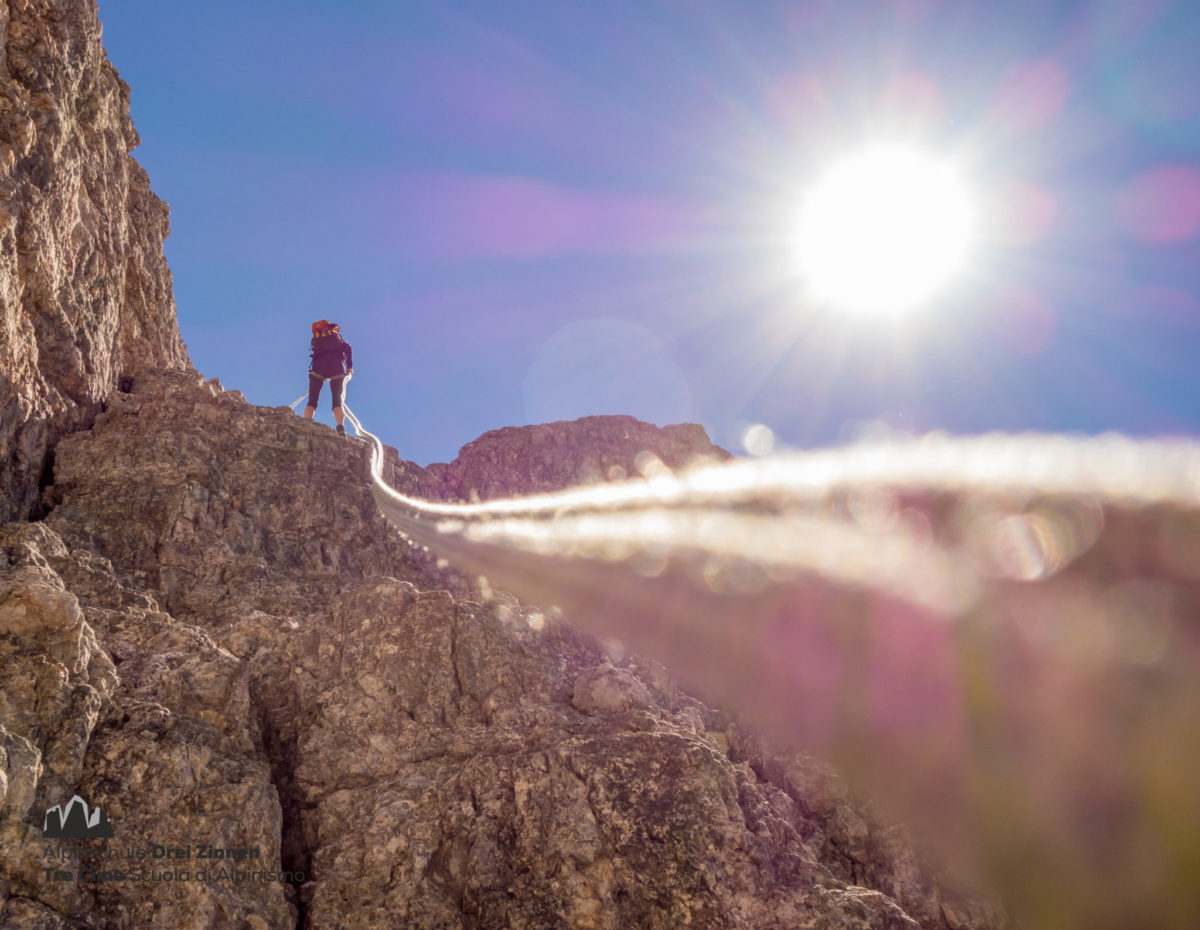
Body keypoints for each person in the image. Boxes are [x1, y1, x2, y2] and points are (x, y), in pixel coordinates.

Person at [303, 320, 353, 435]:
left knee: (312, 401)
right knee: (337, 401)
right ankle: (340, 427)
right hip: (337, 369)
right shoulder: (337, 338)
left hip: (317, 369)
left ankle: (305, 425)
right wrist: (349, 367)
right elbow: (348, 348)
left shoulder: (317, 339)